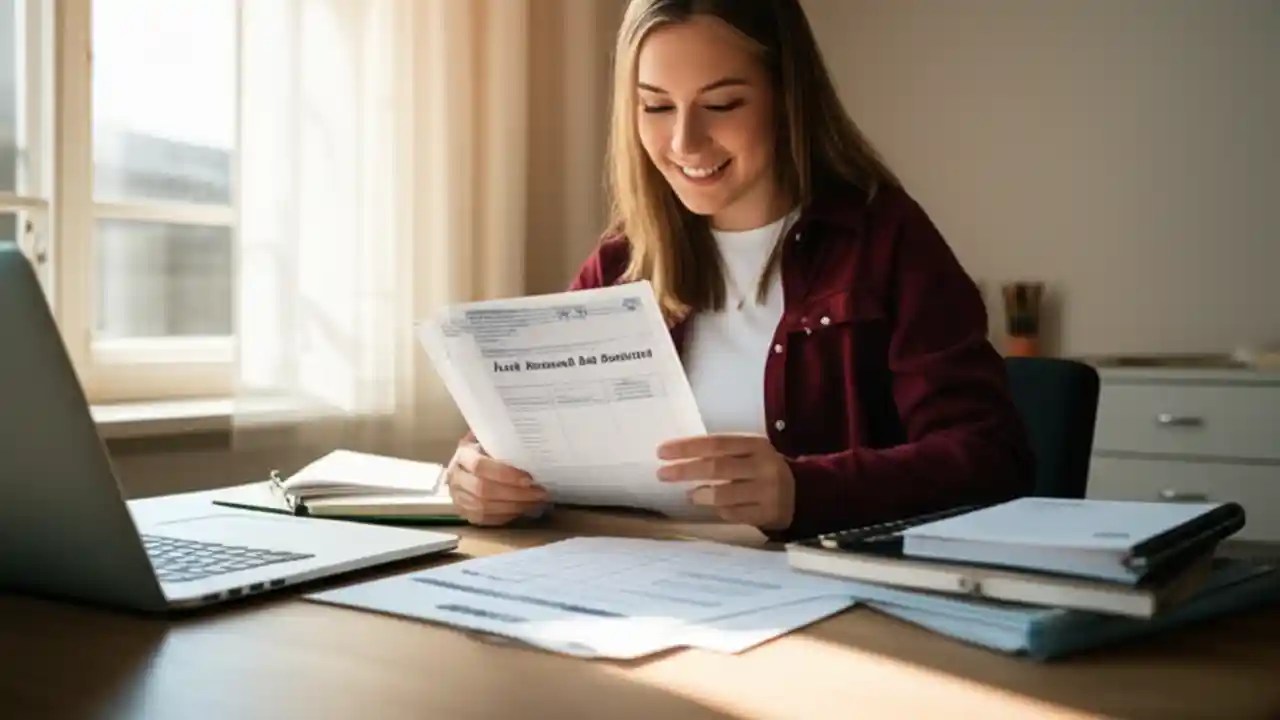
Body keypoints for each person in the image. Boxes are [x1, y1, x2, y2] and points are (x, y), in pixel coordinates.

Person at [444, 0, 1034, 539]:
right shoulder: (623, 262)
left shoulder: (883, 240)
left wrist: (804, 490)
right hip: (636, 593)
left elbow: (991, 459)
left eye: (722, 104)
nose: (684, 141)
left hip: (819, 606)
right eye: (655, 106)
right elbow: (525, 431)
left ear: (787, 97)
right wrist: (480, 473)